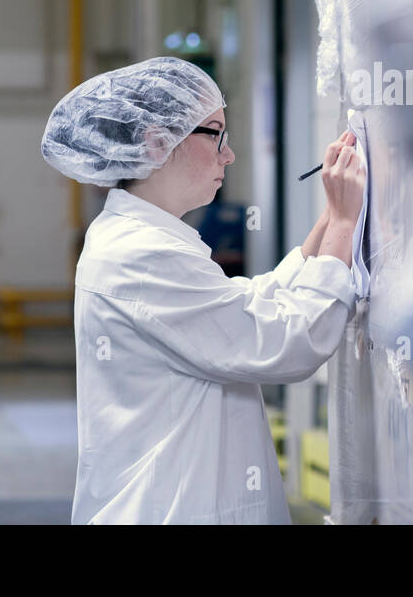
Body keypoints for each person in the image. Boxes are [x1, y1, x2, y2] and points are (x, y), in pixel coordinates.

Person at [40, 56, 365, 524]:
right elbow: (286, 344)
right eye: (216, 134)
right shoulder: (141, 254)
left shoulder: (140, 240)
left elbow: (249, 307)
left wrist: (333, 218)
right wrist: (346, 220)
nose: (228, 155)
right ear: (157, 143)